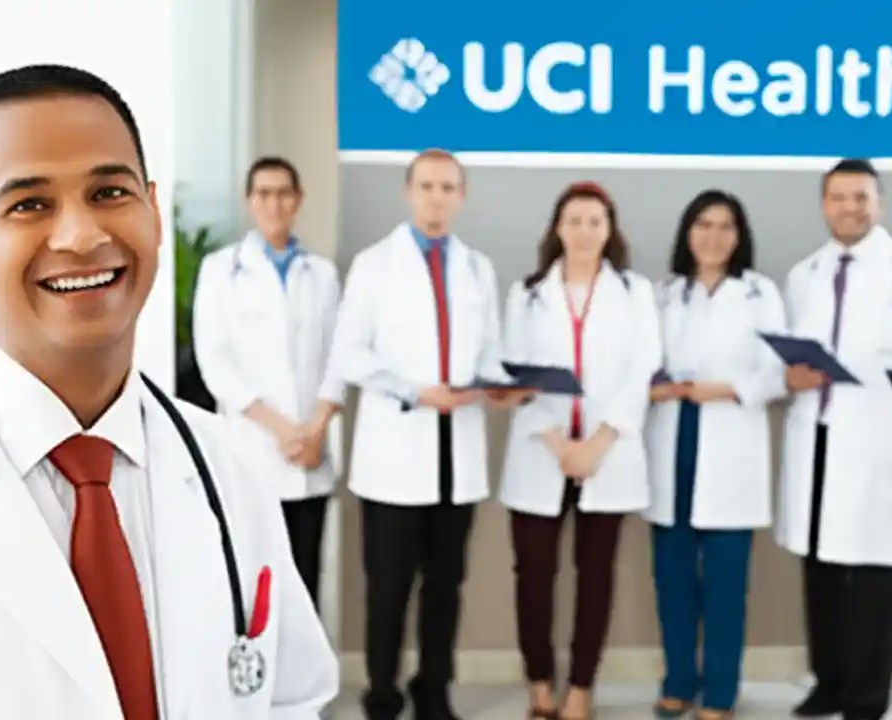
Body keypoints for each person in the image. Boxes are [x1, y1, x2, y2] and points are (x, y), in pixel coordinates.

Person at [0, 64, 337, 719]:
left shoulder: (229, 469)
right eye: (29, 204)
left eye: (110, 193)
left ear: (151, 208)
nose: (82, 235)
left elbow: (293, 698)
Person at [330, 148, 506, 720]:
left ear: (462, 196)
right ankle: (382, 694)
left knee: (445, 588)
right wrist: (413, 390)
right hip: (394, 456)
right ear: (409, 192)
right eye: (427, 186)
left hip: (458, 453)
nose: (437, 197)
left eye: (448, 187)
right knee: (388, 590)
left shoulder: (478, 267)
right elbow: (349, 354)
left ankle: (434, 692)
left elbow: (490, 352)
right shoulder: (375, 264)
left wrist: (500, 385)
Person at [776, 158, 892, 720]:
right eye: (838, 197)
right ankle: (828, 681)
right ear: (823, 204)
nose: (850, 207)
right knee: (821, 569)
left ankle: (867, 697)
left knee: (873, 575)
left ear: (879, 204)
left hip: (878, 443)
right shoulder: (804, 273)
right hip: (817, 433)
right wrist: (792, 376)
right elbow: (792, 351)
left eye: (860, 197)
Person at [496, 182, 659, 720]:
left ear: (609, 230)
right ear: (557, 228)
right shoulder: (527, 292)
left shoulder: (635, 292)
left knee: (597, 574)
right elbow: (516, 372)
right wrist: (556, 441)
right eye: (574, 220)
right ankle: (540, 683)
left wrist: (597, 443)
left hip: (606, 454)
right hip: (542, 451)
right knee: (534, 574)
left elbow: (640, 371)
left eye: (595, 221)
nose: (584, 231)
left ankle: (582, 687)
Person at [645, 190, 786, 720]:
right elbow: (638, 361)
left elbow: (777, 373)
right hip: (673, 441)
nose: (713, 236)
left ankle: (721, 692)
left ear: (739, 236)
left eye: (725, 226)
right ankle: (678, 681)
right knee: (673, 580)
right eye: (703, 224)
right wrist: (653, 387)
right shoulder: (662, 295)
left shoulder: (760, 294)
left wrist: (725, 389)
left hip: (730, 445)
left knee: (726, 586)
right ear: (687, 232)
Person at [193, 155, 344, 608]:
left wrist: (313, 429)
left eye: (283, 193)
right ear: (249, 201)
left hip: (310, 454)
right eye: (263, 194)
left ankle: (308, 682)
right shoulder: (222, 269)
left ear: (297, 200)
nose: (273, 203)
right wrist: (283, 429)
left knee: (305, 580)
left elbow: (339, 357)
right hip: (254, 449)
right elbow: (215, 361)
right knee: (256, 582)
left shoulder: (322, 274)